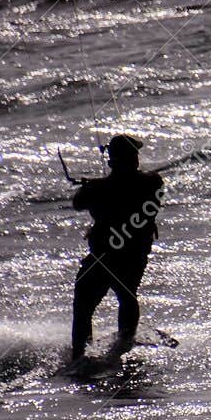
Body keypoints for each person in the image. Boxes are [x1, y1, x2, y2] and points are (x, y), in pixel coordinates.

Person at [69, 134, 163, 363]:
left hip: (122, 253)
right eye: (134, 155)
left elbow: (81, 201)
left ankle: (121, 345)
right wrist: (94, 185)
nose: (137, 159)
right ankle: (83, 355)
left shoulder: (150, 182)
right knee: (88, 299)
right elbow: (78, 202)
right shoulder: (102, 187)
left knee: (123, 295)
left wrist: (96, 185)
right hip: (115, 254)